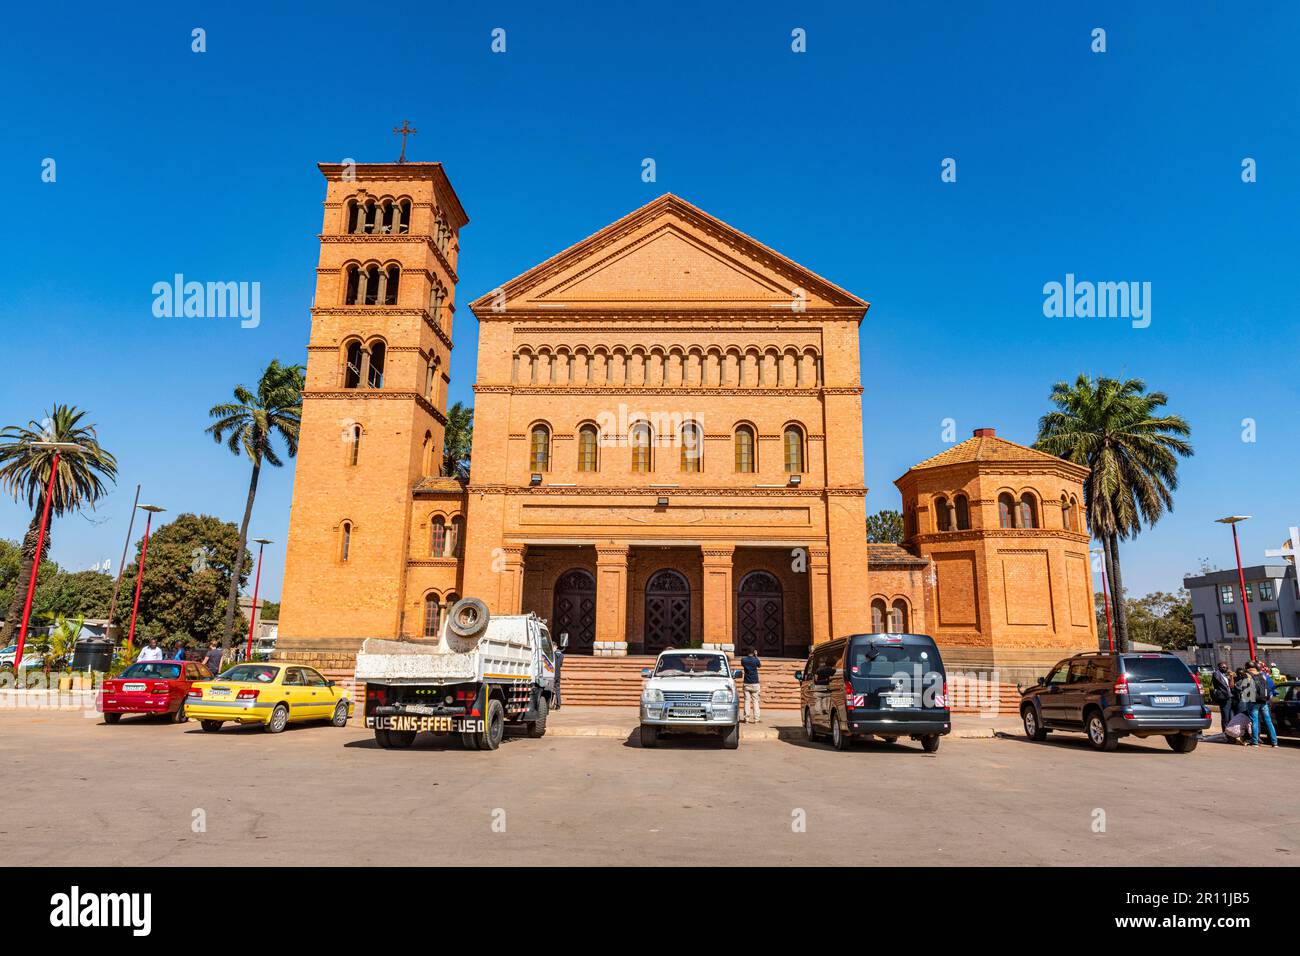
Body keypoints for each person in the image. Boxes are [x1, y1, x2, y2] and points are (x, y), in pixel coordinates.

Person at [1251, 661, 1279, 748]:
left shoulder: (1252, 677)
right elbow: (1273, 689)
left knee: (1255, 721)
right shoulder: (1266, 676)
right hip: (1265, 702)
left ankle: (1255, 742)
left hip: (1255, 702)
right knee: (1269, 722)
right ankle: (1274, 742)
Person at [740, 645, 762, 723]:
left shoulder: (743, 660)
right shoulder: (755, 660)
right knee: (755, 701)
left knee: (747, 701)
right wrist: (756, 656)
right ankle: (756, 719)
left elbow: (743, 664)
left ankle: (747, 719)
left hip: (747, 682)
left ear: (747, 652)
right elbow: (759, 665)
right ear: (754, 652)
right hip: (755, 682)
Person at [1210, 662, 1234, 731]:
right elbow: (1222, 685)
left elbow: (1231, 686)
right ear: (1219, 667)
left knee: (1230, 716)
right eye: (1223, 667)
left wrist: (1231, 677)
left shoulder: (1225, 675)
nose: (1225, 668)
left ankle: (1229, 732)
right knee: (1225, 716)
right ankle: (1225, 732)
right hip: (1223, 697)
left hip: (1229, 697)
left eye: (1226, 667)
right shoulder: (1216, 673)